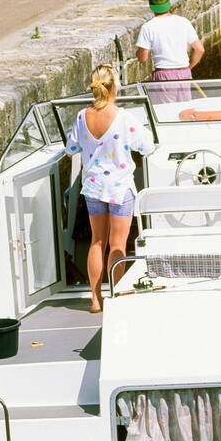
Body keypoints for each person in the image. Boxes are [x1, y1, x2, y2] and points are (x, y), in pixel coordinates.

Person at [65, 64, 154, 312]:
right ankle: (116, 297)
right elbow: (148, 147)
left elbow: (70, 149)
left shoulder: (83, 116)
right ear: (114, 86)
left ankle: (95, 299)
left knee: (97, 242)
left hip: (93, 187)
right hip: (119, 190)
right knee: (118, 245)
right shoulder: (124, 118)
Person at [136, 0, 204, 104]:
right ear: (167, 1)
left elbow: (143, 58)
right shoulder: (184, 22)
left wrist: (139, 52)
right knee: (184, 111)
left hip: (163, 75)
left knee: (164, 113)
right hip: (184, 74)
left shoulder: (148, 27)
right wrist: (188, 68)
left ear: (151, 4)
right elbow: (200, 49)